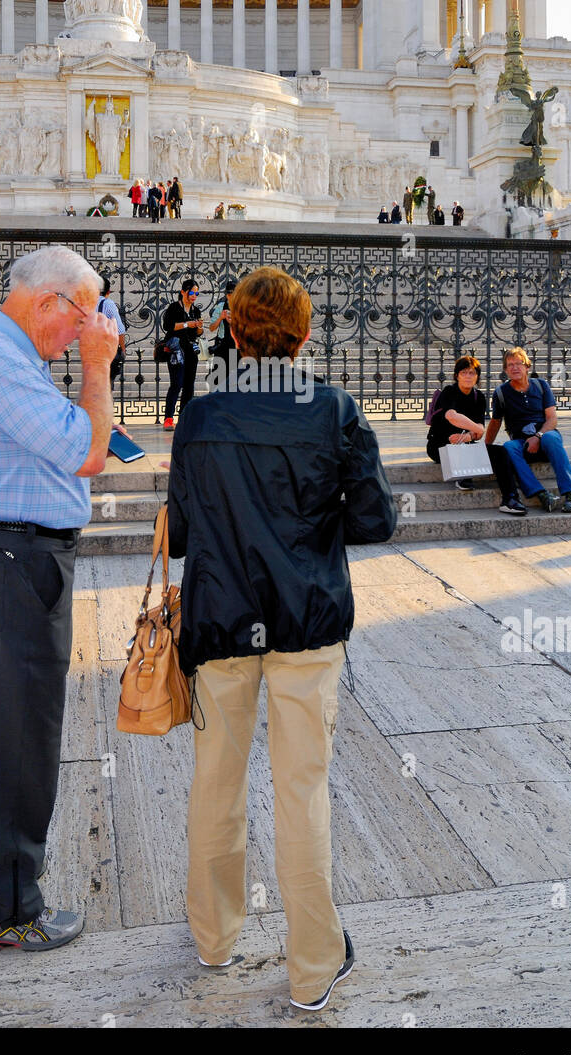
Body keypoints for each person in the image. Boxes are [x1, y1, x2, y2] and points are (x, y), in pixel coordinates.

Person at [168, 266, 397, 1012]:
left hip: (221, 619)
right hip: (306, 621)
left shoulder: (200, 417)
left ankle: (214, 939)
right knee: (302, 791)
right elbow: (374, 521)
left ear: (232, 331)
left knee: (216, 782)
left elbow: (183, 533)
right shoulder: (332, 409)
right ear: (302, 337)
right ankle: (311, 969)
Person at [0, 246, 125, 953]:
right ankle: (4, 907)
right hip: (14, 563)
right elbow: (86, 453)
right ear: (48, 302)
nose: (86, 333)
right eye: (84, 318)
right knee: (19, 732)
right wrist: (99, 369)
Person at [426, 356, 526, 515]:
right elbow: (452, 416)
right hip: (440, 445)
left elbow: (478, 434)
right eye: (464, 372)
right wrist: (477, 430)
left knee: (500, 452)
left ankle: (510, 499)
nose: (468, 376)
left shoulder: (478, 397)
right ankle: (464, 477)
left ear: (477, 376)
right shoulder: (449, 392)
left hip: (466, 445)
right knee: (458, 445)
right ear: (457, 375)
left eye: (472, 373)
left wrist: (469, 436)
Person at [485, 347, 571, 513]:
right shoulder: (501, 393)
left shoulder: (541, 385)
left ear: (527, 366)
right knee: (508, 447)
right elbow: (495, 422)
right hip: (522, 444)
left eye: (518, 364)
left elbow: (552, 419)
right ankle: (541, 494)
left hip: (546, 439)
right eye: (510, 365)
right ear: (505, 370)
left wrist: (538, 436)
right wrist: (485, 447)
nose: (514, 368)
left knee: (551, 437)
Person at [161, 277, 203, 429]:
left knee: (189, 385)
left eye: (196, 294)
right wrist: (187, 324)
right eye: (191, 292)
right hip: (176, 351)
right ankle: (168, 419)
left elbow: (198, 333)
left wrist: (199, 326)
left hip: (191, 351)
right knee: (176, 384)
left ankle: (184, 418)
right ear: (183, 292)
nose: (193, 296)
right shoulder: (174, 308)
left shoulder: (196, 310)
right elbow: (168, 327)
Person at [97, 274, 127, 390]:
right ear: (108, 292)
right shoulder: (107, 304)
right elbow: (119, 329)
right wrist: (123, 349)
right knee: (106, 386)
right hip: (105, 349)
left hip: (90, 350)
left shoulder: (86, 303)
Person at [208, 278, 237, 361]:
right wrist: (220, 318)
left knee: (237, 373)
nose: (231, 296)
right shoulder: (221, 306)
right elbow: (211, 328)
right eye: (228, 294)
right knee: (220, 373)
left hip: (237, 345)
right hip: (222, 345)